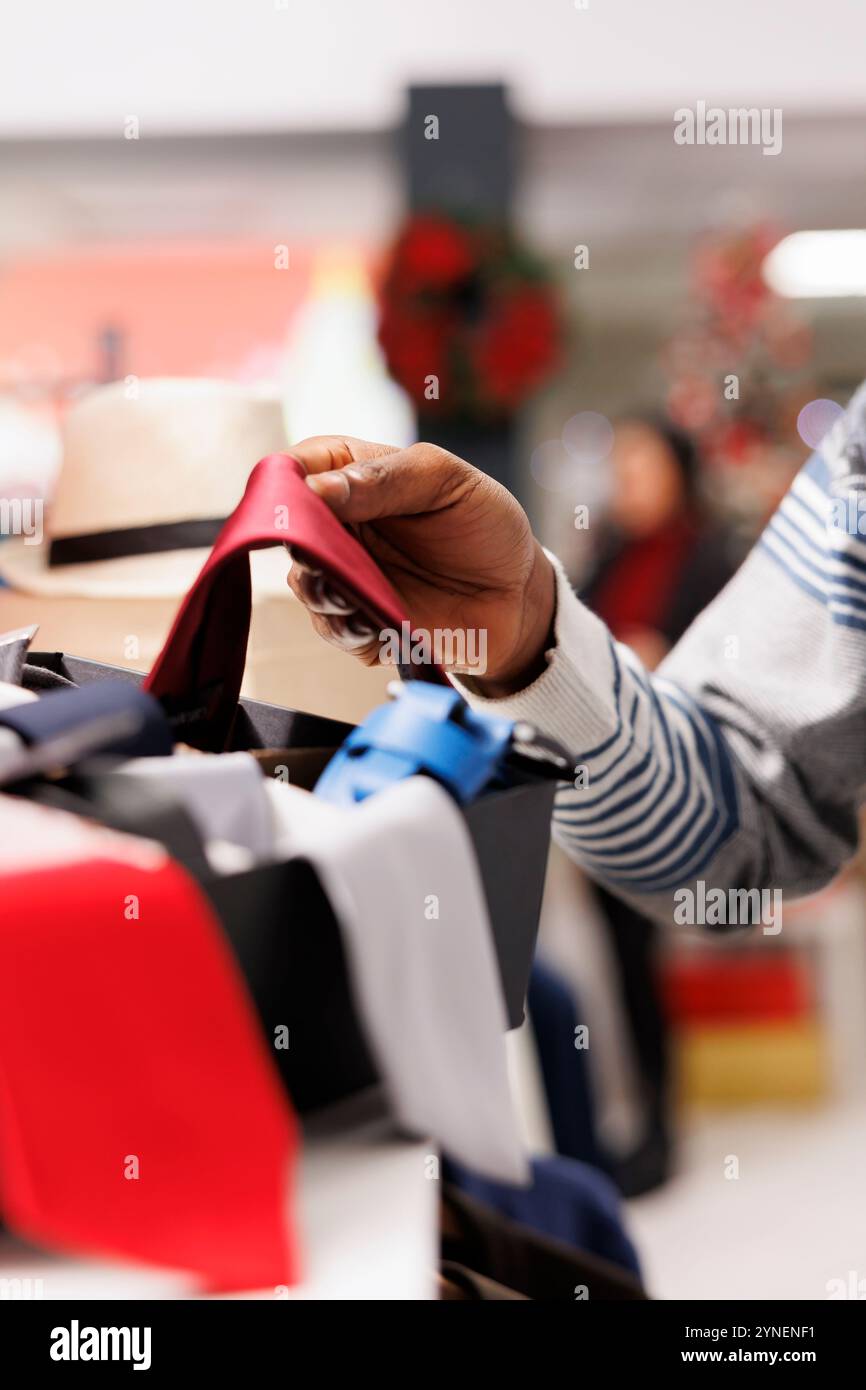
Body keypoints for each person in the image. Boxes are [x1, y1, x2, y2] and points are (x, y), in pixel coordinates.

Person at [285, 384, 866, 928]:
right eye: (620, 463)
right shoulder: (611, 553)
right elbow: (754, 795)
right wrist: (528, 638)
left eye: (641, 463)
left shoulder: (704, 556)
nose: (625, 477)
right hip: (604, 793)